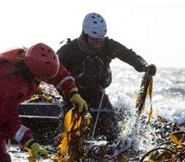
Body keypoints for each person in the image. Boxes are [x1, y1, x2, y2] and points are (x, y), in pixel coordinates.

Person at [57, 12, 156, 142]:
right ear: (85, 34)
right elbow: (55, 73)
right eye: (95, 38)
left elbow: (129, 55)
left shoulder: (108, 45)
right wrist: (69, 94)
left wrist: (145, 66)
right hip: (73, 97)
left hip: (99, 96)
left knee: (113, 135)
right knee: (68, 136)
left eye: (101, 38)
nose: (99, 41)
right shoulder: (68, 51)